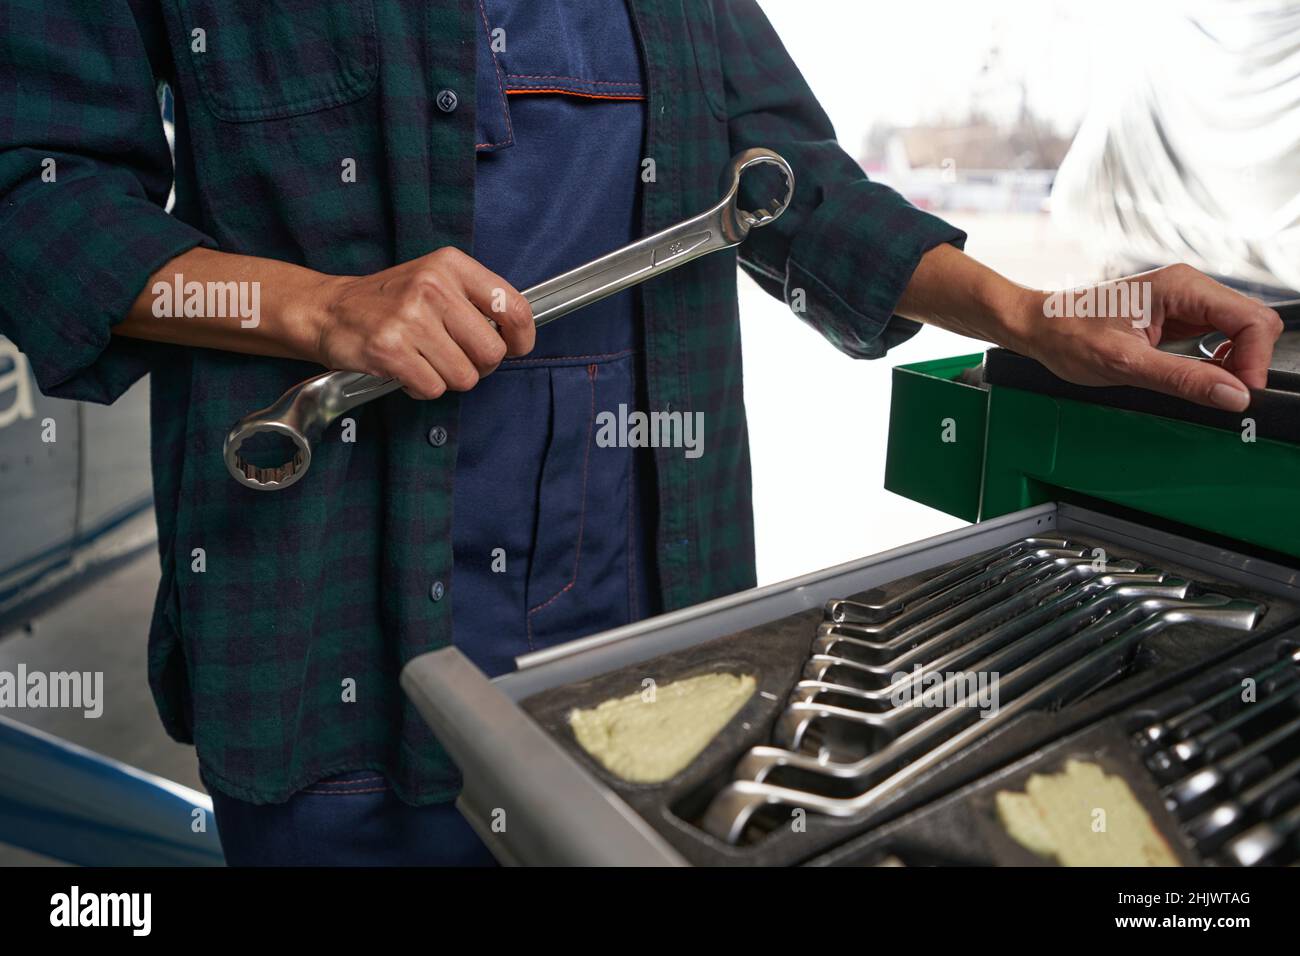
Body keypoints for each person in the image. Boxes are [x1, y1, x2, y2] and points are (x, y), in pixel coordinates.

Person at [0, 0, 1279, 866]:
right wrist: (317, 308)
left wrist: (1032, 312)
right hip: (333, 637)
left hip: (662, 624)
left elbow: (787, 180)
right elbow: (38, 197)